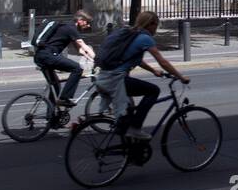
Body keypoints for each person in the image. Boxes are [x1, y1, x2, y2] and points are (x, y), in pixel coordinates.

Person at [98, 10, 189, 140]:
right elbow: (163, 62)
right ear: (150, 24)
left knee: (129, 111)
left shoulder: (132, 33)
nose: (156, 29)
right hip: (116, 80)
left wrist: (153, 71)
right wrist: (181, 77)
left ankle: (129, 148)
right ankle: (135, 128)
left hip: (105, 77)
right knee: (153, 91)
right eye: (156, 25)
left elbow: (136, 59)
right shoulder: (145, 38)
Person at [33, 10, 95, 109]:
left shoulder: (67, 27)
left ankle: (52, 119)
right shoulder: (71, 28)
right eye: (87, 23)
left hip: (41, 56)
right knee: (77, 69)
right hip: (48, 56)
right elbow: (84, 46)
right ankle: (64, 98)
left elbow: (80, 50)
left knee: (55, 87)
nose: (88, 26)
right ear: (80, 20)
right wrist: (99, 60)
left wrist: (91, 59)